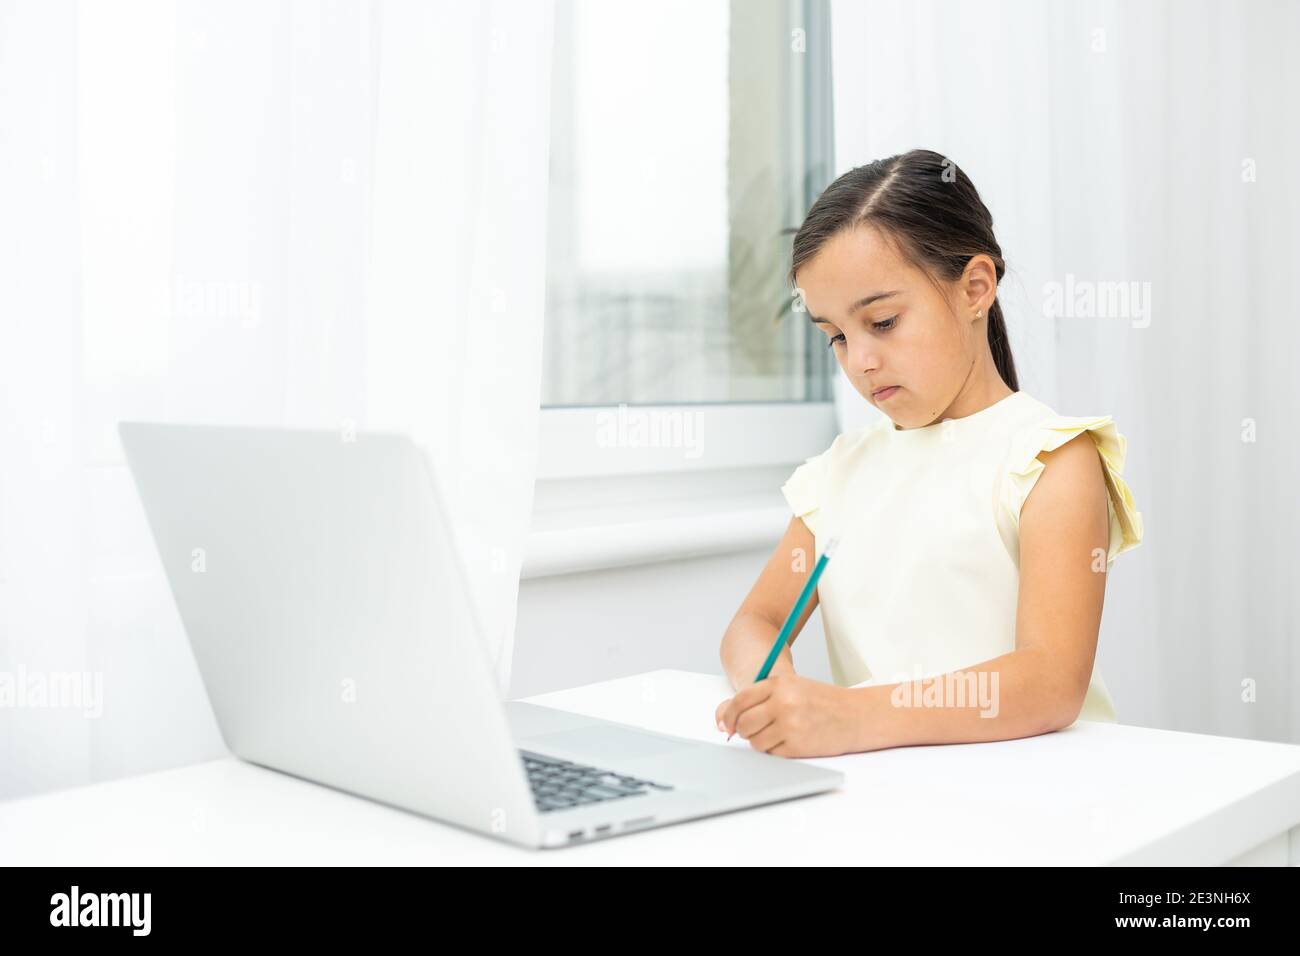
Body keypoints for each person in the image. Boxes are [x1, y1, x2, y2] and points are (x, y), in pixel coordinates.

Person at [716, 149, 1144, 757]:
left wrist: (849, 716)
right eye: (836, 335)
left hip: (1043, 795)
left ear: (975, 288)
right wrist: (776, 691)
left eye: (883, 322)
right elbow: (754, 624)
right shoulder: (837, 475)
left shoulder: (1050, 460)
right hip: (893, 792)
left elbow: (1050, 683)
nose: (859, 360)